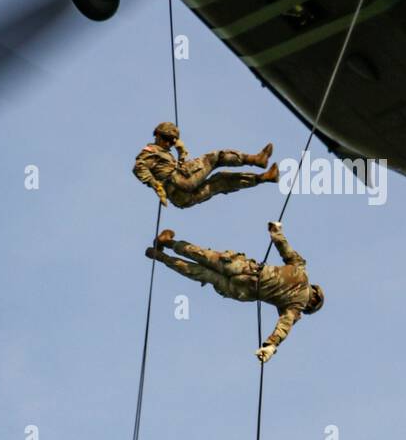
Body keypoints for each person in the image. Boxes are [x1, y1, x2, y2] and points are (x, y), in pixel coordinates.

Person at [146, 221, 324, 362]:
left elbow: (284, 247)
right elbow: (283, 327)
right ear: (311, 305)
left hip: (244, 269)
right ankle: (161, 257)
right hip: (240, 291)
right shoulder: (295, 308)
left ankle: (167, 242)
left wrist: (275, 230)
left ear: (315, 290)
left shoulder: (301, 270)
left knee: (201, 255)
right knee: (198, 273)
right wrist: (270, 345)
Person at [133, 122, 278, 210]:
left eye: (172, 141)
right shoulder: (151, 151)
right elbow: (139, 167)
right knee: (215, 158)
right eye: (166, 139)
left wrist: (181, 152)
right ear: (157, 135)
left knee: (221, 181)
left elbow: (179, 168)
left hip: (182, 198)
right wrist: (155, 185)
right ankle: (255, 160)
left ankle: (264, 178)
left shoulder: (165, 155)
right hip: (180, 183)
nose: (168, 143)